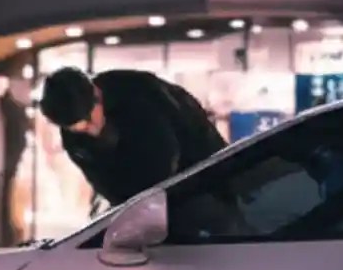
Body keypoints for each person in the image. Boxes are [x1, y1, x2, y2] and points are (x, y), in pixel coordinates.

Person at [38, 67, 227, 207]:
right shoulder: (74, 136)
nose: (90, 130)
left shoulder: (137, 95)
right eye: (79, 128)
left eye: (89, 120)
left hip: (204, 164)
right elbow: (105, 185)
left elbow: (162, 167)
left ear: (97, 94)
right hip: (155, 194)